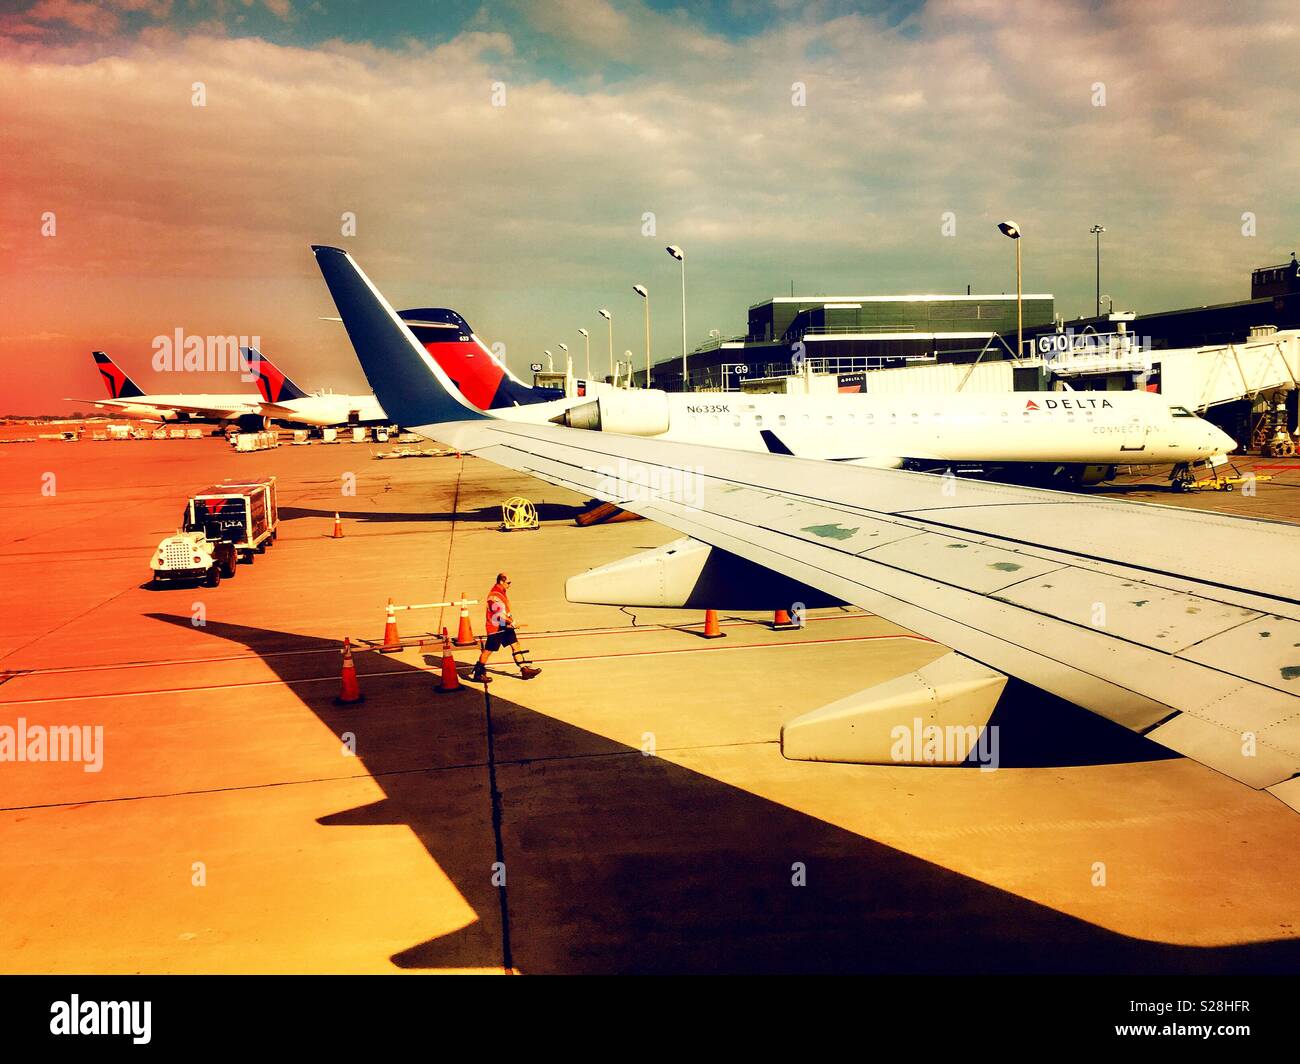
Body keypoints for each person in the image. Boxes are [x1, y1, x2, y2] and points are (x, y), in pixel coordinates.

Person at [472, 572, 541, 682]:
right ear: (501, 582)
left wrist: (509, 621)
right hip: (496, 627)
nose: (510, 585)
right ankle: (478, 673)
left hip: (505, 625)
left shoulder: (501, 592)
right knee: (488, 651)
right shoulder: (494, 596)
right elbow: (498, 614)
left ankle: (524, 670)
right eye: (508, 582)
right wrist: (511, 621)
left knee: (515, 644)